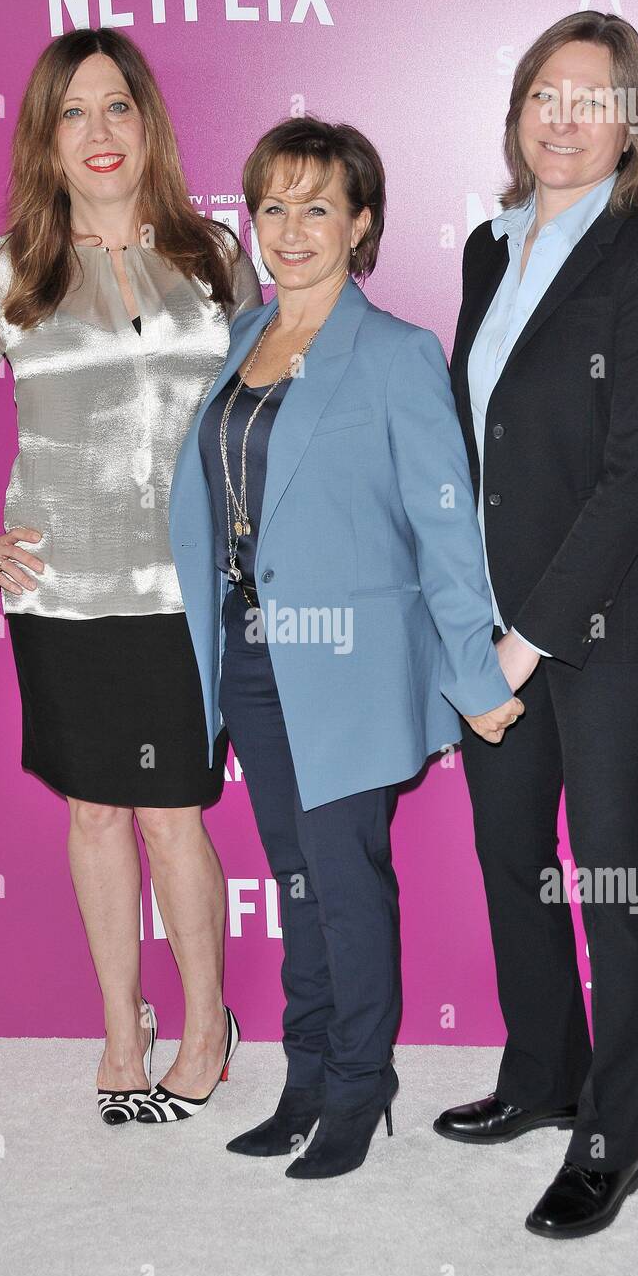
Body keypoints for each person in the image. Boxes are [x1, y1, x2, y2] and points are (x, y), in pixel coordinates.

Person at [0, 28, 261, 1128]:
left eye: (117, 107)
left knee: (173, 817)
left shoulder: (213, 257)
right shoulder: (16, 268)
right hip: (64, 596)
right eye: (73, 113)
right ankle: (120, 1028)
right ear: (46, 141)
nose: (99, 132)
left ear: (149, 124)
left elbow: (268, 407)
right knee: (97, 812)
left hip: (186, 596)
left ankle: (207, 1026)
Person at [163, 116, 523, 1174]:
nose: (290, 228)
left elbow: (445, 531)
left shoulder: (398, 353)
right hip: (251, 656)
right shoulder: (243, 338)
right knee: (296, 878)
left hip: (351, 665)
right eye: (272, 206)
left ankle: (361, 1086)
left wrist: (472, 670)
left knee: (344, 879)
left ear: (361, 224)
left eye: (317, 206)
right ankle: (307, 1077)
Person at [437, 10, 638, 1237]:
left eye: (593, 99)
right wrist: (463, 617)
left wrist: (526, 636)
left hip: (613, 630)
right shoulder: (486, 251)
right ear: (516, 110)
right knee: (513, 859)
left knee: (607, 877)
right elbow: (479, 455)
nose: (563, 118)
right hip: (497, 620)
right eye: (546, 93)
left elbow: (631, 480)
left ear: (633, 123)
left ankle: (612, 1134)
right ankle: (541, 1075)